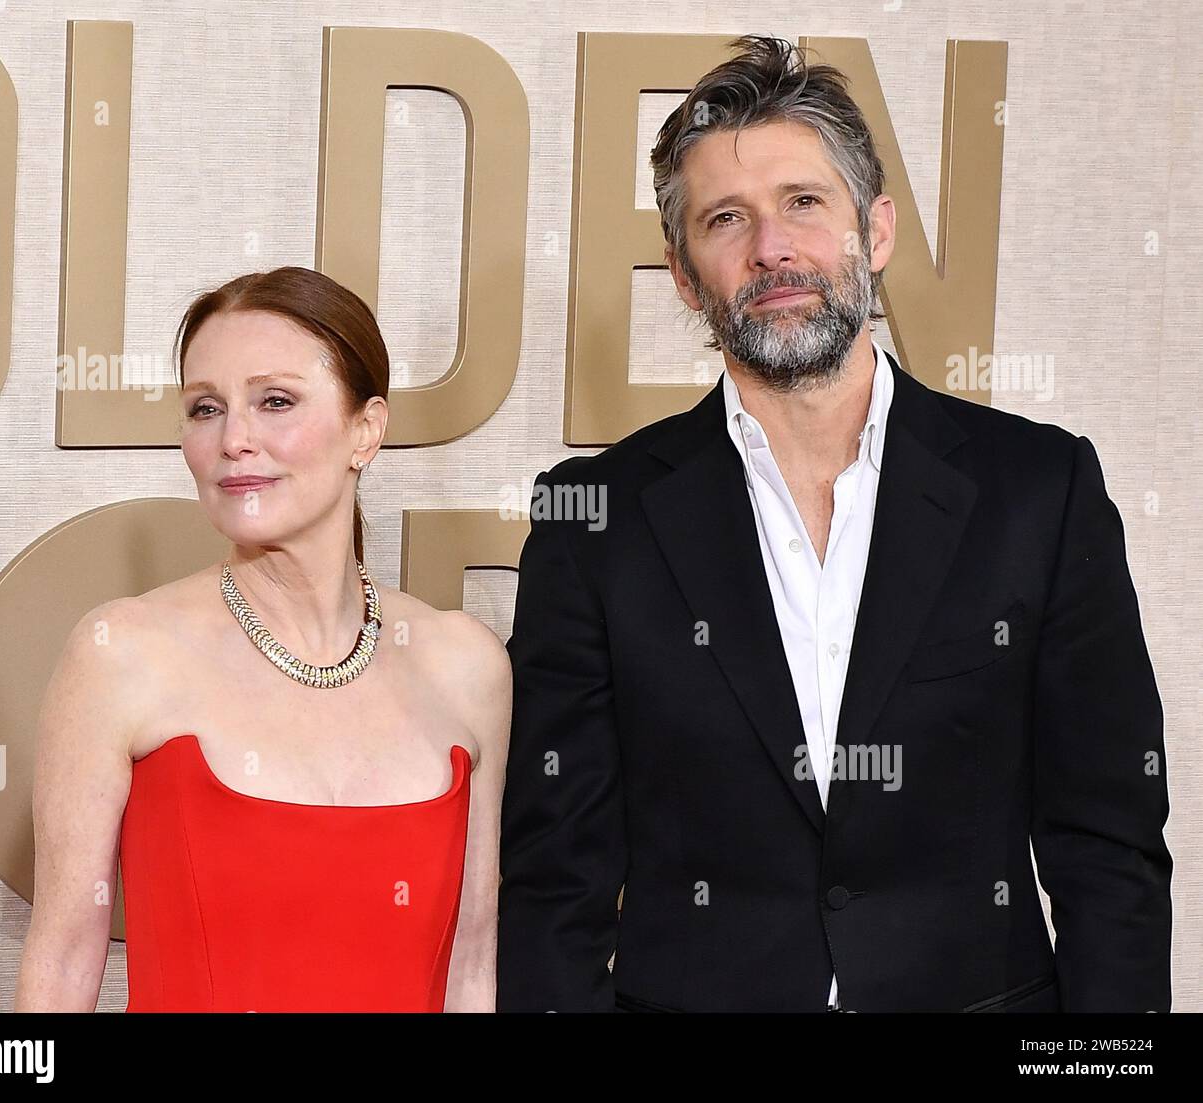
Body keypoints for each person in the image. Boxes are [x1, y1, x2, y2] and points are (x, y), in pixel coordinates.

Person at [497, 35, 1171, 1012]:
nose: (772, 247)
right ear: (686, 275)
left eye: (803, 203)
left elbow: (1107, 846)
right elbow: (557, 881)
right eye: (727, 218)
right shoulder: (592, 521)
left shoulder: (1038, 486)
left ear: (876, 230)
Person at [15, 266, 510, 1012]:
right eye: (205, 408)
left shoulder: (467, 665)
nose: (234, 440)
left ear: (365, 430)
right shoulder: (121, 654)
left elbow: (472, 962)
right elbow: (59, 967)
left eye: (275, 401)